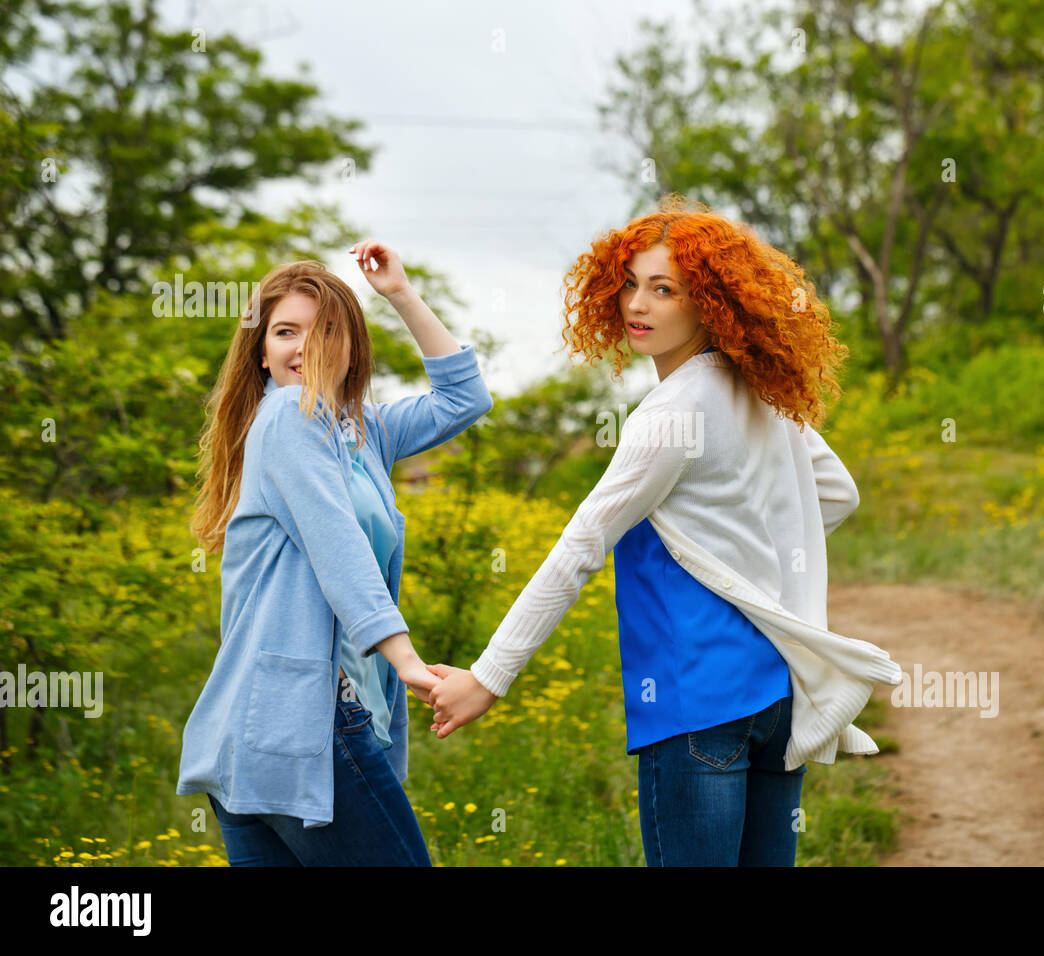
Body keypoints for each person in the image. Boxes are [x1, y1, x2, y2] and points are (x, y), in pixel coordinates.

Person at [425, 195, 902, 866]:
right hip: (776, 699)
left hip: (696, 700)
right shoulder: (757, 391)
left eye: (664, 289)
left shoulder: (668, 412)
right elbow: (837, 493)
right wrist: (745, 546)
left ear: (709, 302)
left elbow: (581, 546)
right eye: (628, 284)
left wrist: (487, 677)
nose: (635, 305)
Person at [178, 242, 493, 865]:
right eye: (285, 332)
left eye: (326, 331)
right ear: (262, 353)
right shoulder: (287, 420)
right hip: (307, 723)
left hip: (261, 733)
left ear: (352, 348)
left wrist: (399, 294)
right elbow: (338, 549)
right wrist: (407, 661)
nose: (304, 348)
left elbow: (465, 399)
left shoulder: (360, 429)